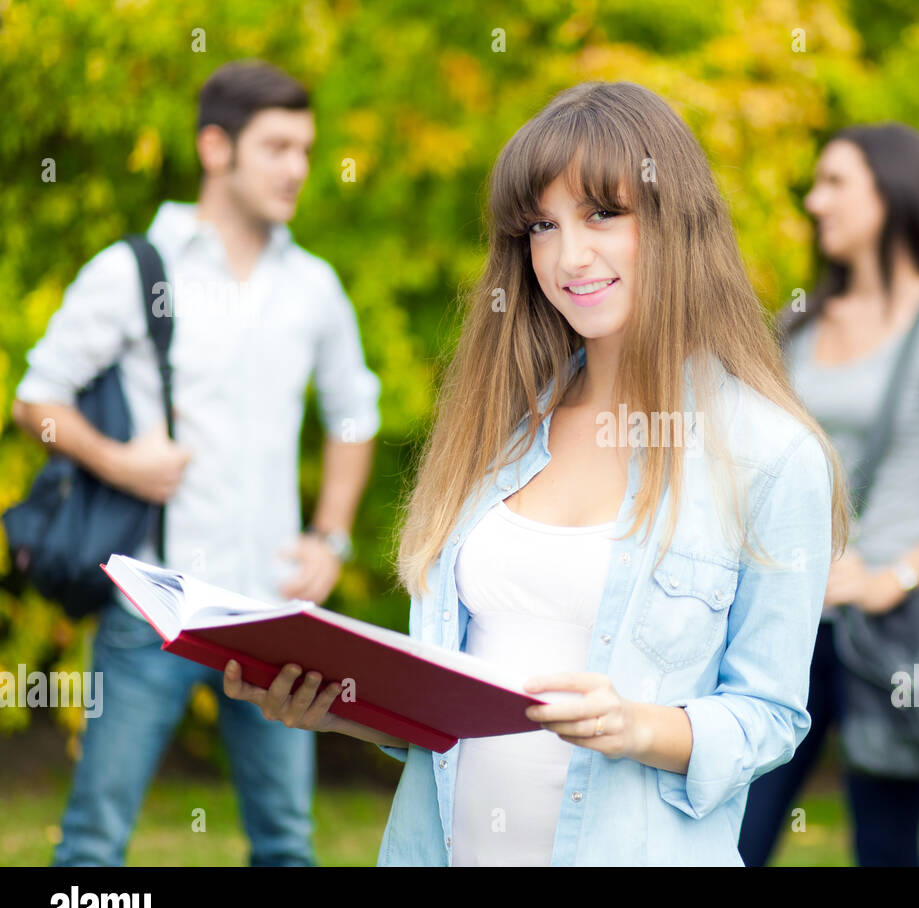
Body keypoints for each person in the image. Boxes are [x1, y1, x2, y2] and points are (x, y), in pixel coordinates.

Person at [222, 80, 851, 866]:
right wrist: (337, 705)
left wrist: (637, 725)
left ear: (676, 219)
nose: (568, 256)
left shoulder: (771, 455)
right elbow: (450, 713)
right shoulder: (500, 427)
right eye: (542, 226)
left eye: (602, 214)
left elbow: (770, 716)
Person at [12, 60, 381, 866]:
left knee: (287, 847)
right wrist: (120, 461)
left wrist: (331, 537)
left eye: (306, 149)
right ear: (217, 148)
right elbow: (36, 401)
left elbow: (355, 412)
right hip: (155, 606)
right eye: (277, 147)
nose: (298, 168)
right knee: (92, 847)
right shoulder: (135, 269)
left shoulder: (313, 286)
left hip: (271, 613)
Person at [739, 123, 919, 866]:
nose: (814, 201)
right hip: (787, 622)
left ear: (893, 192)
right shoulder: (800, 324)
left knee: (886, 847)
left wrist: (894, 577)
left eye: (835, 182)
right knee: (735, 836)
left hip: (891, 631)